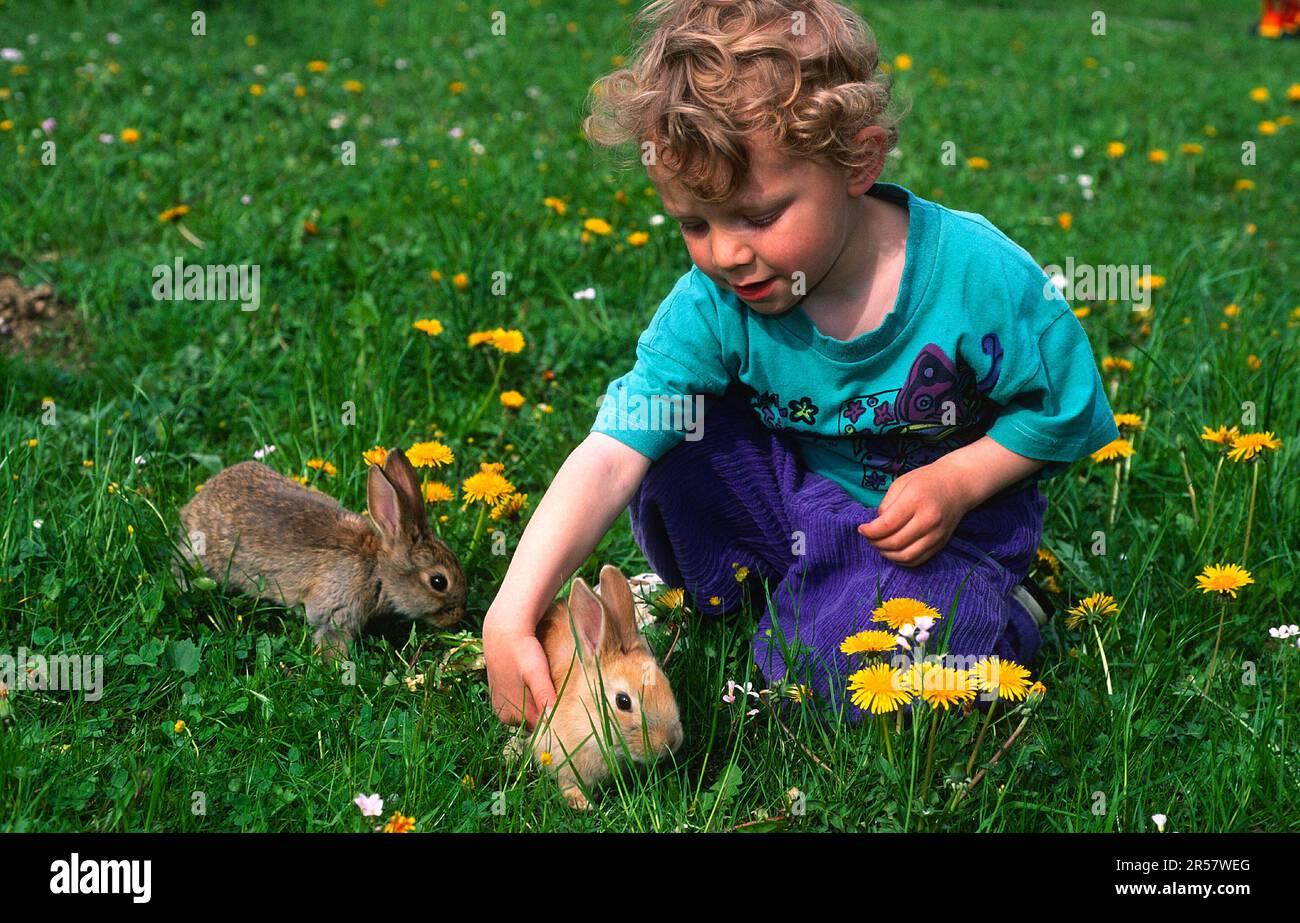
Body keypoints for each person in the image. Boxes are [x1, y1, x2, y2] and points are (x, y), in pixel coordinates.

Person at [484, 0, 1118, 729]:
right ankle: (791, 595)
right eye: (696, 223)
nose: (726, 253)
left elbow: (1065, 407)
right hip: (798, 503)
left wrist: (959, 478)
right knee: (673, 443)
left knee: (847, 679)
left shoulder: (974, 277)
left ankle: (1003, 611)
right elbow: (610, 453)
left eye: (758, 216)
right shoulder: (716, 304)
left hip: (937, 530)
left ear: (859, 159)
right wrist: (512, 608)